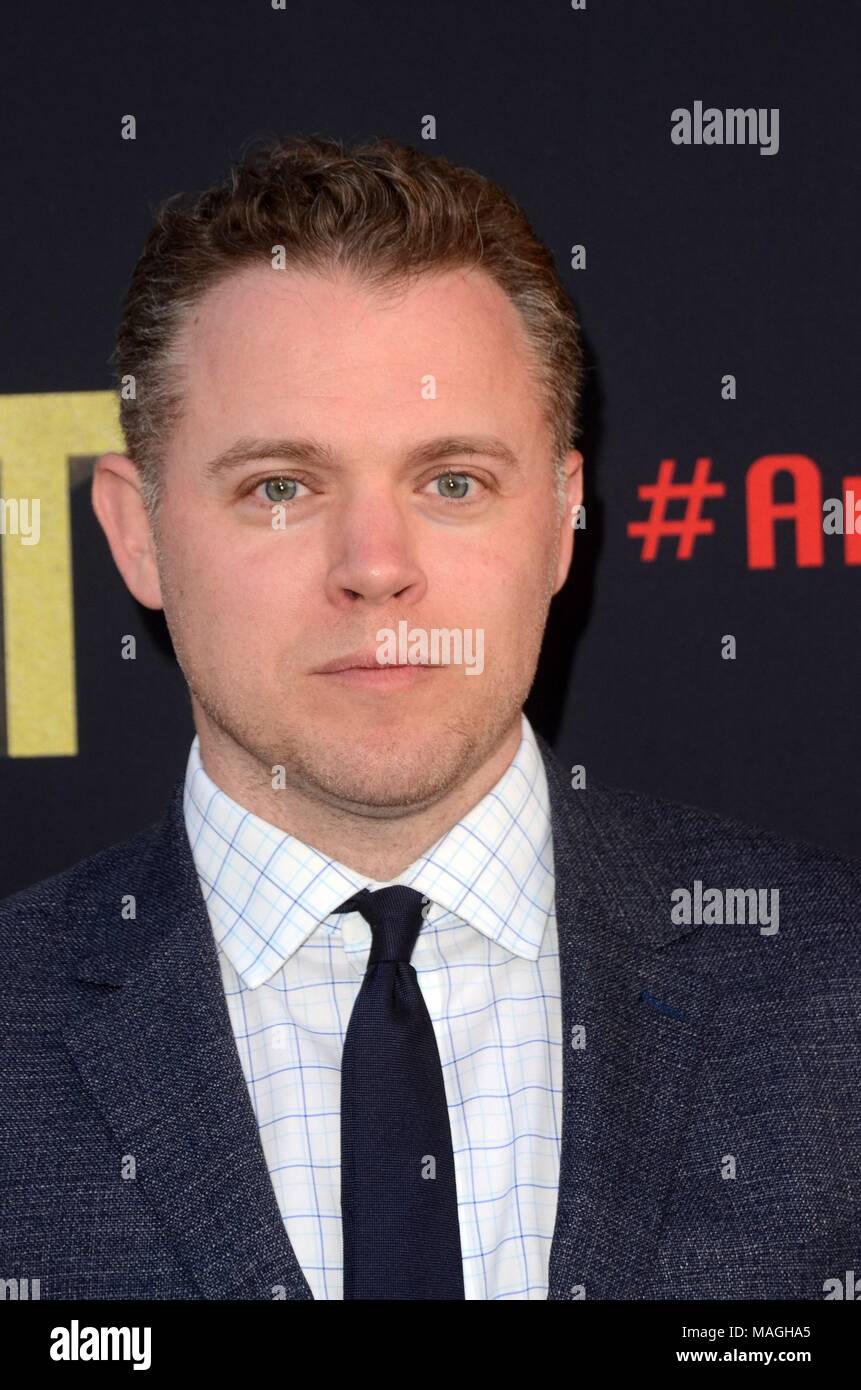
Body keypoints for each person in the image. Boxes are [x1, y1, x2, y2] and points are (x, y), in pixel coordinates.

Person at [1, 134, 857, 1301]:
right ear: (136, 529)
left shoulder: (830, 986)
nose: (375, 569)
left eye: (452, 482)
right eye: (282, 487)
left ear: (563, 520)